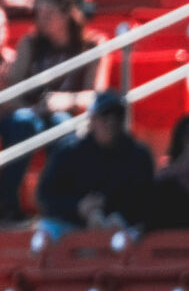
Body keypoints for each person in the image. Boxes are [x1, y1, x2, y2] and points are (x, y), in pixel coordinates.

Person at [0, 0, 106, 221]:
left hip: (67, 114)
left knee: (62, 125)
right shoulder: (31, 43)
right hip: (28, 113)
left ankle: (62, 206)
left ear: (66, 13)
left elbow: (97, 96)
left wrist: (65, 101)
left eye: (49, 14)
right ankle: (6, 204)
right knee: (24, 123)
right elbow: (11, 92)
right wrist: (31, 108)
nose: (42, 21)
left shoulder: (91, 45)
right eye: (39, 15)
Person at [36, 87, 154, 232]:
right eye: (105, 116)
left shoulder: (137, 155)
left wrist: (120, 215)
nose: (111, 122)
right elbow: (46, 196)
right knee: (47, 229)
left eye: (117, 116)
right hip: (74, 224)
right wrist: (78, 207)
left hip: (122, 228)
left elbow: (146, 200)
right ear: (92, 120)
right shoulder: (69, 151)